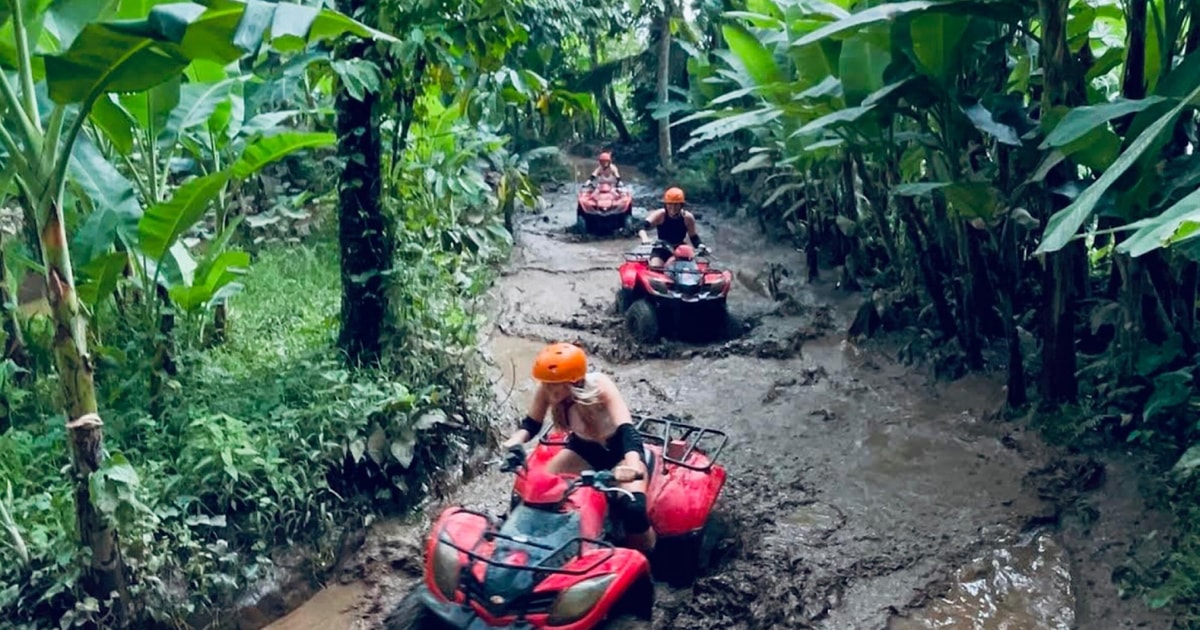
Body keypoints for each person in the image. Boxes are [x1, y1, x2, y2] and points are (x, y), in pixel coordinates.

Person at [501, 342, 656, 554]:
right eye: (546, 383)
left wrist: (631, 466)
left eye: (554, 384)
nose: (548, 388)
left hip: (619, 451)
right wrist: (514, 442)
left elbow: (627, 431)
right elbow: (531, 423)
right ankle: (532, 546)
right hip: (583, 449)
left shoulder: (600, 386)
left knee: (634, 508)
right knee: (537, 491)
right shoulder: (547, 390)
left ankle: (648, 555)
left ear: (573, 381)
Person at [638, 186, 706, 267]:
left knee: (690, 269)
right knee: (656, 267)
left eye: (676, 204)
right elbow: (641, 226)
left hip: (680, 248)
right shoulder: (660, 215)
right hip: (661, 248)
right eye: (670, 204)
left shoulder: (687, 218)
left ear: (681, 205)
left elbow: (693, 237)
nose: (673, 208)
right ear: (665, 204)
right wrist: (645, 238)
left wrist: (700, 245)